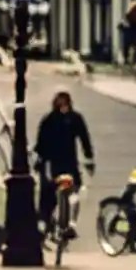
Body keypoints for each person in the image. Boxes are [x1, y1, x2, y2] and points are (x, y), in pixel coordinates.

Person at [34, 90, 95, 238]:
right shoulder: (74, 118)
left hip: (54, 163)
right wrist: (89, 158)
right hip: (66, 162)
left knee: (51, 196)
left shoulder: (49, 119)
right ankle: (66, 224)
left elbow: (40, 143)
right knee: (69, 193)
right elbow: (84, 138)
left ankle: (48, 224)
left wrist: (39, 160)